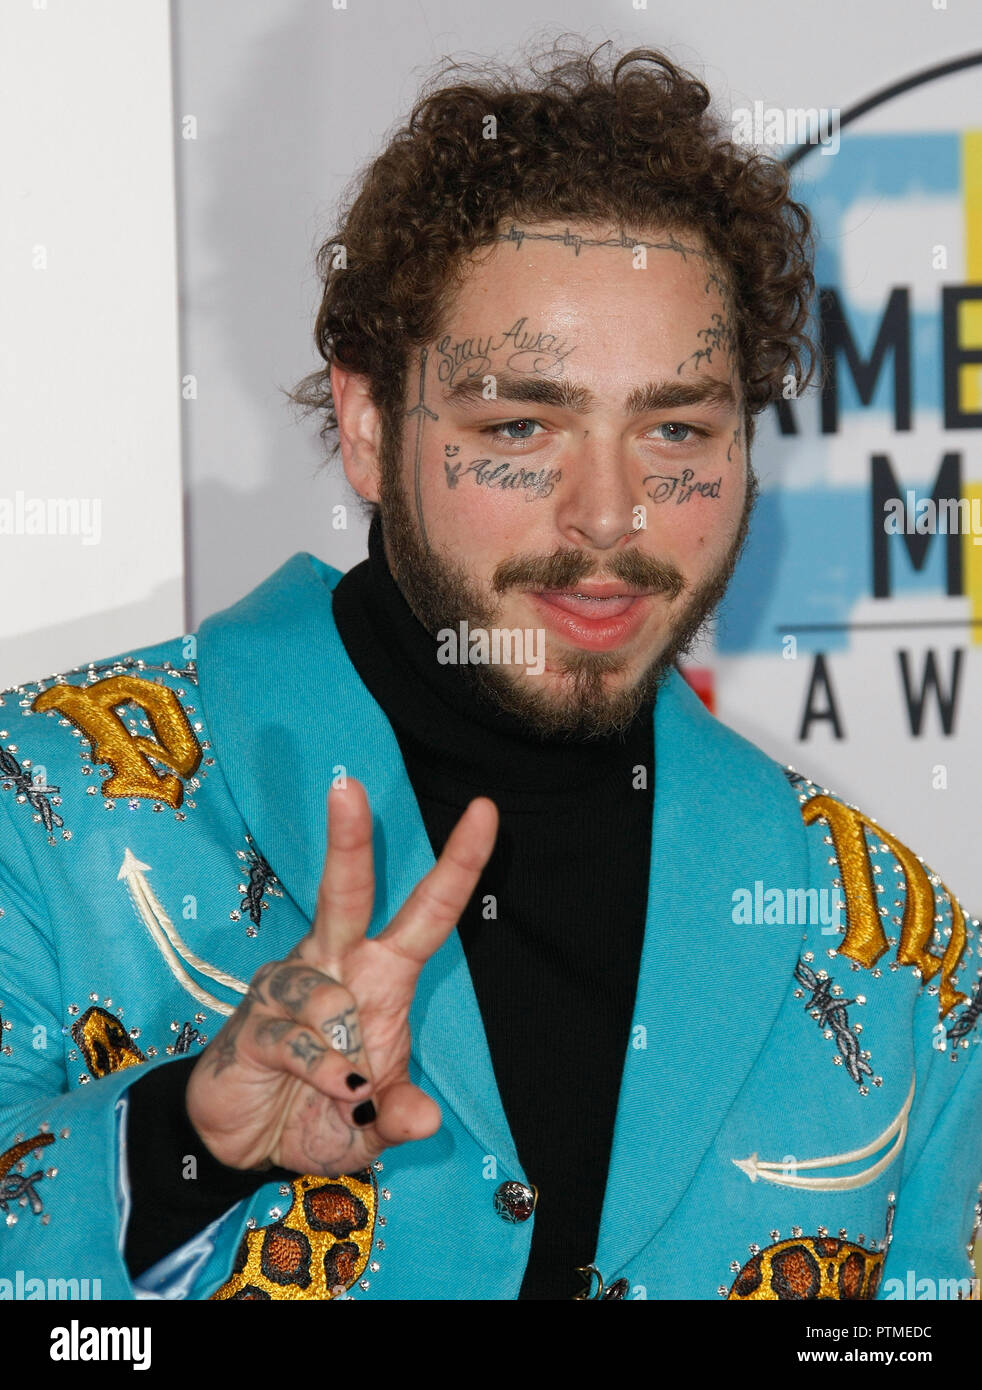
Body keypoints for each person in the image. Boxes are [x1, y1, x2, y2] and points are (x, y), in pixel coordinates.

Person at [1, 42, 979, 1304]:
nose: (610, 517)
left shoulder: (891, 946)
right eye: (520, 428)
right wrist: (180, 1147)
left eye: (676, 428)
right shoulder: (45, 803)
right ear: (366, 426)